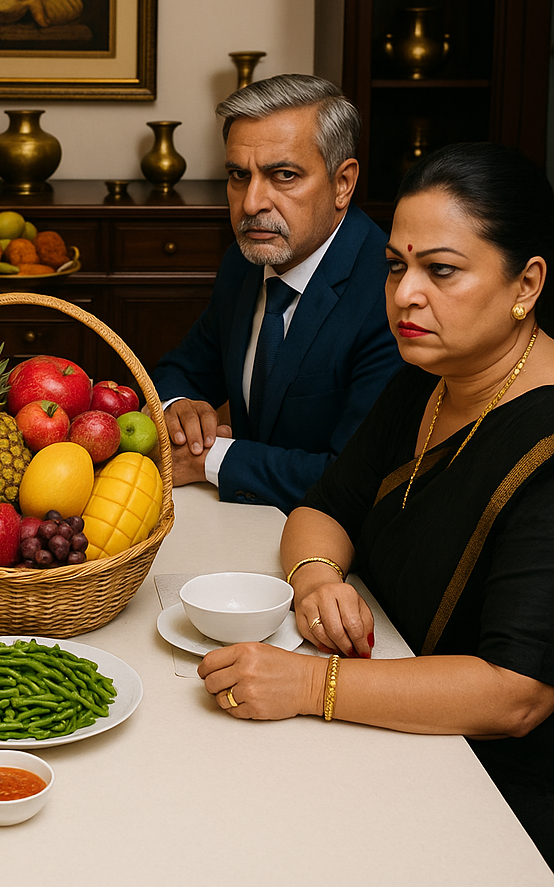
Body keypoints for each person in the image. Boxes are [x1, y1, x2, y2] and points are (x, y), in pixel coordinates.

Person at [198, 143, 554, 867]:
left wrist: (306, 683)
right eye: (396, 266)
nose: (404, 295)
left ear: (527, 283)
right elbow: (322, 507)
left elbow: (515, 695)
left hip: (493, 800)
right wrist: (318, 578)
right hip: (381, 723)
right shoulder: (429, 381)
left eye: (441, 271)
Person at [152, 74, 404, 512]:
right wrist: (178, 410)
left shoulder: (387, 294)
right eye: (238, 175)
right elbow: (181, 369)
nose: (251, 203)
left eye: (283, 175)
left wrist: (210, 459)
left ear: (343, 183)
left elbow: (354, 478)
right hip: (242, 526)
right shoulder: (243, 262)